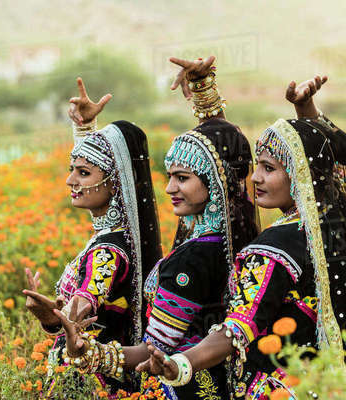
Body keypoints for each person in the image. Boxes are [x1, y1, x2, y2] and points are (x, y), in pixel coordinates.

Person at [136, 76, 346, 399]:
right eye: (257, 166)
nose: (255, 177)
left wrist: (181, 365)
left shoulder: (272, 248)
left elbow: (237, 328)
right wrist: (305, 111)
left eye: (269, 168)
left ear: (302, 174)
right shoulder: (331, 226)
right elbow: (329, 156)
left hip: (274, 389)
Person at [52, 57, 260, 399]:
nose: (169, 189)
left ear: (214, 180)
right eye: (170, 177)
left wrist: (88, 353)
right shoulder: (232, 237)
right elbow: (228, 149)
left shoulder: (191, 259)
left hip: (187, 387)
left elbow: (154, 353)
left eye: (183, 178)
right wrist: (204, 90)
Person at [22, 78, 162, 398]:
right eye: (73, 169)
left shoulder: (109, 253)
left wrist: (58, 316)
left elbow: (86, 301)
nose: (70, 180)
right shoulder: (114, 239)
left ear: (115, 184)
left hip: (93, 384)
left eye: (83, 173)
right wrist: (85, 128)